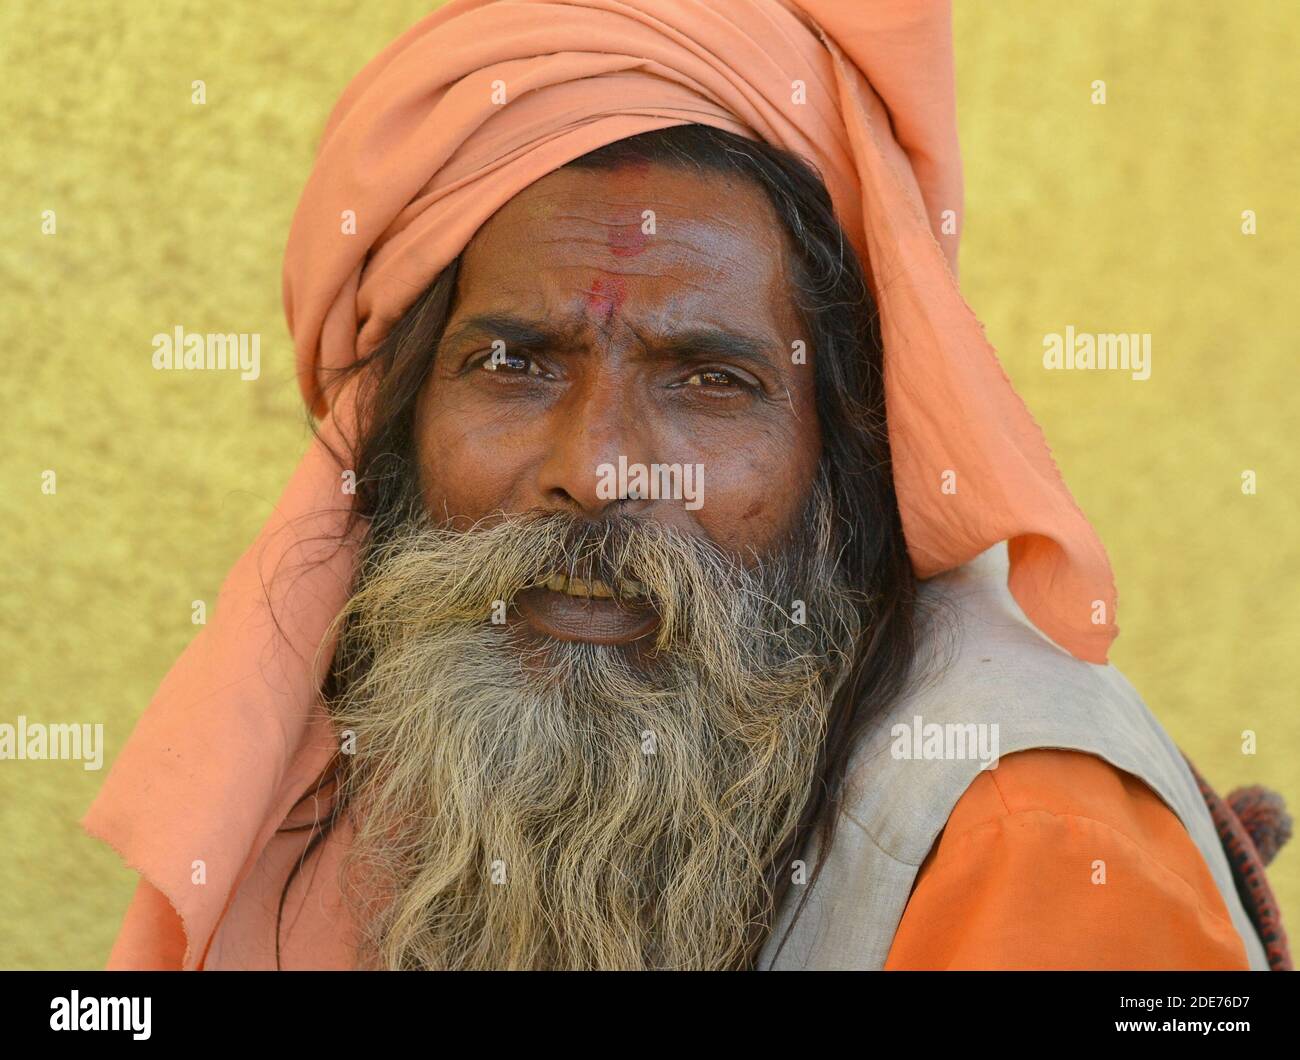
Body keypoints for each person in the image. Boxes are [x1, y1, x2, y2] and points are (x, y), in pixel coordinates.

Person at [82, 0, 1287, 971]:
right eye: (512, 363)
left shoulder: (1025, 836)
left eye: (709, 380)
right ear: (395, 429)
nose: (598, 470)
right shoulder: (399, 738)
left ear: (847, 446)